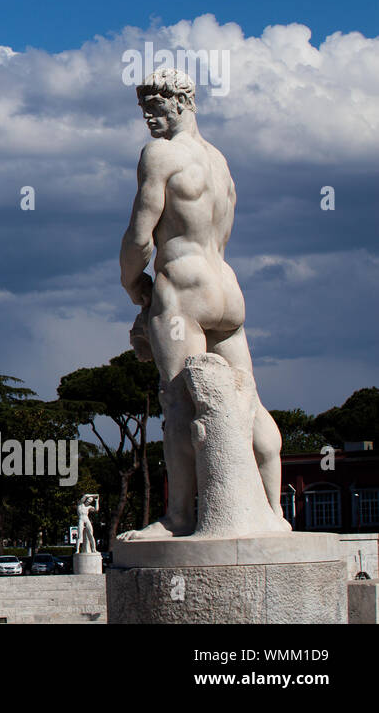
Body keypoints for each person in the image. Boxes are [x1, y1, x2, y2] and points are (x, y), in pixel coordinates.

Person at [119, 69, 284, 539]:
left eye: (156, 105)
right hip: (228, 292)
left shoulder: (161, 155)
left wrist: (132, 283)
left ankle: (180, 517)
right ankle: (273, 513)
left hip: (184, 290)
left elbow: (139, 237)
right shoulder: (219, 162)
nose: (148, 116)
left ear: (182, 101)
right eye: (143, 107)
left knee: (177, 403)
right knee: (246, 402)